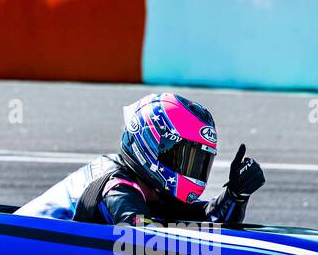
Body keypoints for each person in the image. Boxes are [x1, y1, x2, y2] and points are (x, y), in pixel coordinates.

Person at [17, 92, 264, 226]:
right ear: (153, 144)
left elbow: (207, 222)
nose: (194, 169)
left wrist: (235, 196)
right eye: (186, 157)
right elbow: (147, 244)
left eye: (201, 161)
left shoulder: (149, 187)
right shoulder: (117, 187)